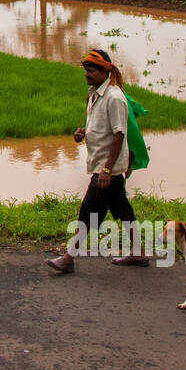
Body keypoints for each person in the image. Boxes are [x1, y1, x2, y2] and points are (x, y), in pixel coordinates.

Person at [46, 48, 149, 272]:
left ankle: (68, 258)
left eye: (91, 71)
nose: (87, 75)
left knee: (88, 211)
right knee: (122, 210)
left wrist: (106, 169)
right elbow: (103, 129)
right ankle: (139, 253)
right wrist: (82, 134)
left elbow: (119, 134)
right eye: (86, 71)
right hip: (104, 166)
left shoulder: (114, 98)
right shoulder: (94, 94)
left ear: (105, 72)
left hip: (107, 170)